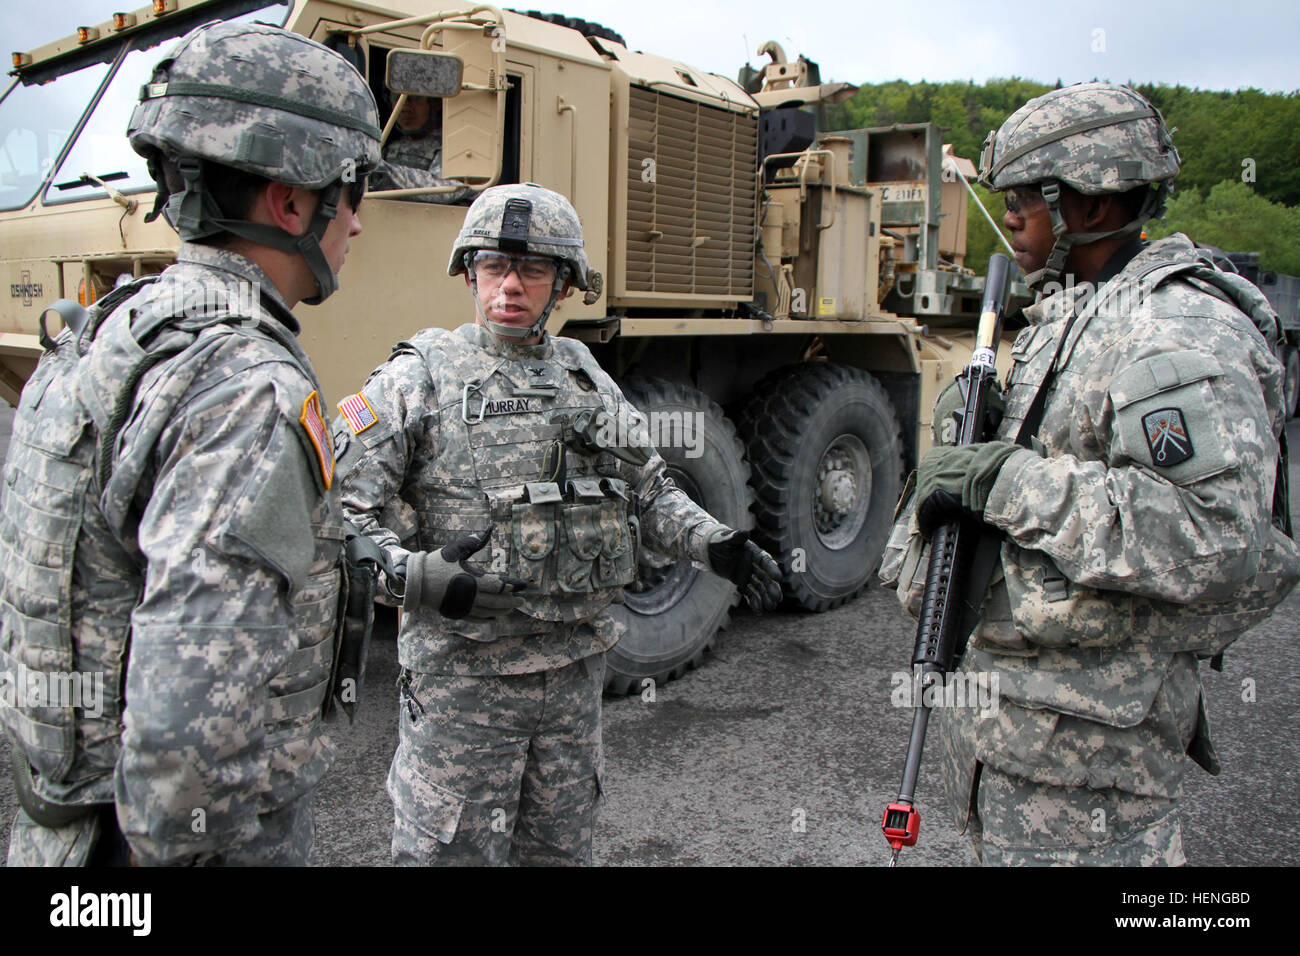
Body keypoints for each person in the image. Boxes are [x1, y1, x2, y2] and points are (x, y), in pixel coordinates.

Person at [881, 82, 1299, 865]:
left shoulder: (1177, 326)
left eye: (1024, 202)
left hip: (1091, 775)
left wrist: (1004, 480)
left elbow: (1216, 535)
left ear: (1095, 209)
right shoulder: (1072, 308)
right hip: (1012, 742)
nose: (1006, 221)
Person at [0, 21, 382, 865]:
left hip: (65, 828)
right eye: (352, 193)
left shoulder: (105, 334)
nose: (357, 225)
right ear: (292, 201)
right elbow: (187, 739)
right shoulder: (247, 386)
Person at [334, 182, 783, 866]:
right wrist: (415, 578)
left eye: (533, 269)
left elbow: (648, 490)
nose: (510, 286)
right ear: (468, 273)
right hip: (463, 685)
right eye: (494, 267)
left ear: (563, 285)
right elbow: (339, 513)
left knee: (561, 851)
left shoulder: (585, 379)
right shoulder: (418, 379)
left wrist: (713, 544)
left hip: (572, 680)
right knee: (448, 853)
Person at [369, 94, 469, 203]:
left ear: (436, 103)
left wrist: (381, 172)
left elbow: (446, 190)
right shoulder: (390, 147)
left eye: (415, 99)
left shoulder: (455, 145)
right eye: (397, 98)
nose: (404, 108)